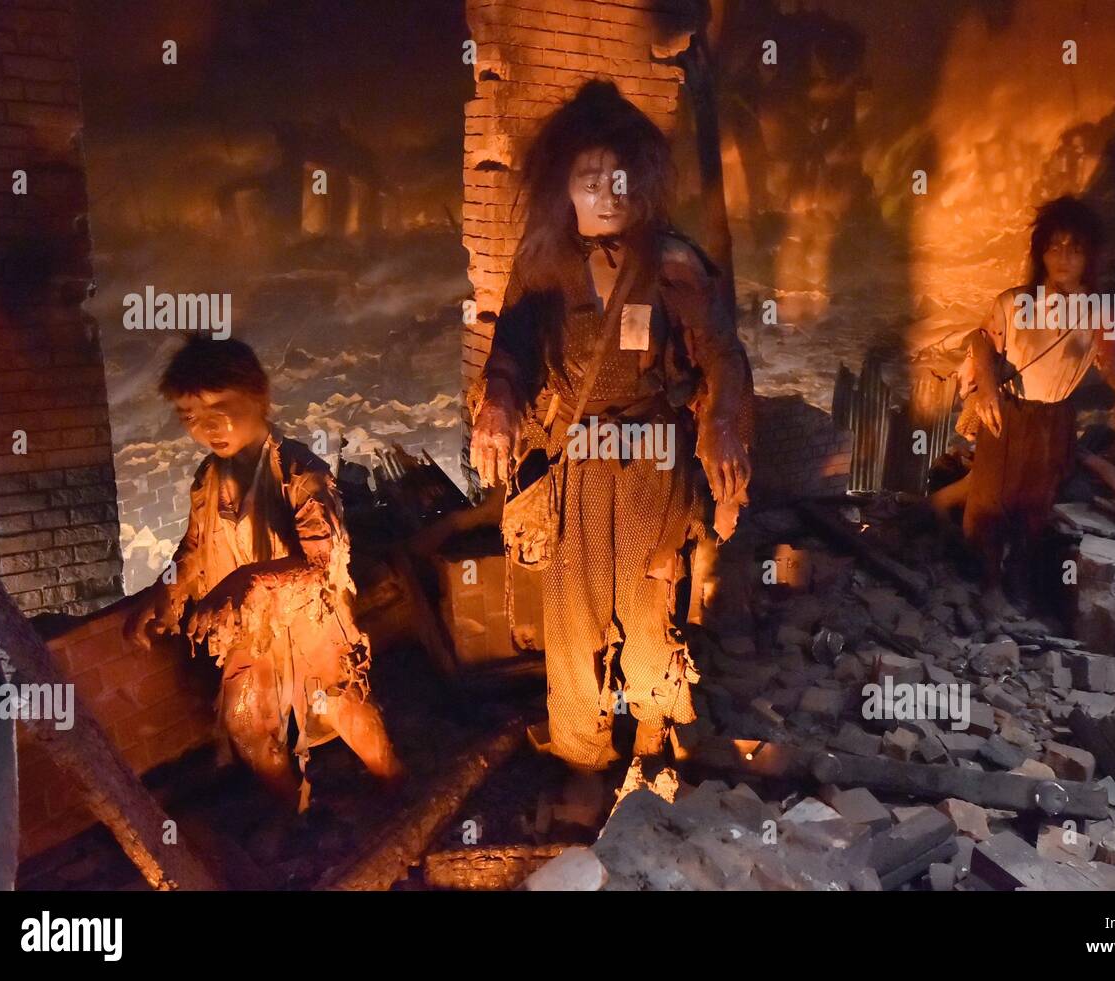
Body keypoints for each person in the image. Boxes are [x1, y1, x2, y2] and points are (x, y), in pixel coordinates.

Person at [469, 80, 753, 777]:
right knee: (571, 624)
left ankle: (654, 743)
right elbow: (507, 345)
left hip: (653, 459)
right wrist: (497, 401)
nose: (609, 191)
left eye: (622, 176)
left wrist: (719, 422)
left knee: (652, 604)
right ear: (562, 185)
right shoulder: (542, 265)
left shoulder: (674, 262)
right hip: (575, 461)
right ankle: (581, 757)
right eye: (590, 177)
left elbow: (721, 351)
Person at [124, 337, 401, 808]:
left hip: (311, 621)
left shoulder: (300, 471)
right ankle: (294, 816)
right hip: (251, 628)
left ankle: (395, 787)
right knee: (245, 722)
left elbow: (322, 564)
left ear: (259, 396)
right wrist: (163, 592)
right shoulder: (208, 478)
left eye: (218, 408)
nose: (205, 427)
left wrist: (247, 580)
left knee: (342, 703)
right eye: (189, 416)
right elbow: (193, 550)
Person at [962, 196, 1115, 611]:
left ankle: (1020, 586)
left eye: (1075, 248)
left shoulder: (1099, 310)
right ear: (1041, 251)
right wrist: (988, 387)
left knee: (1035, 505)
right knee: (991, 501)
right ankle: (989, 586)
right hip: (1008, 414)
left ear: (1090, 256)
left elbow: (1110, 360)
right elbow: (979, 342)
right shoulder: (1015, 303)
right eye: (1055, 246)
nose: (1063, 257)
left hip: (1054, 417)